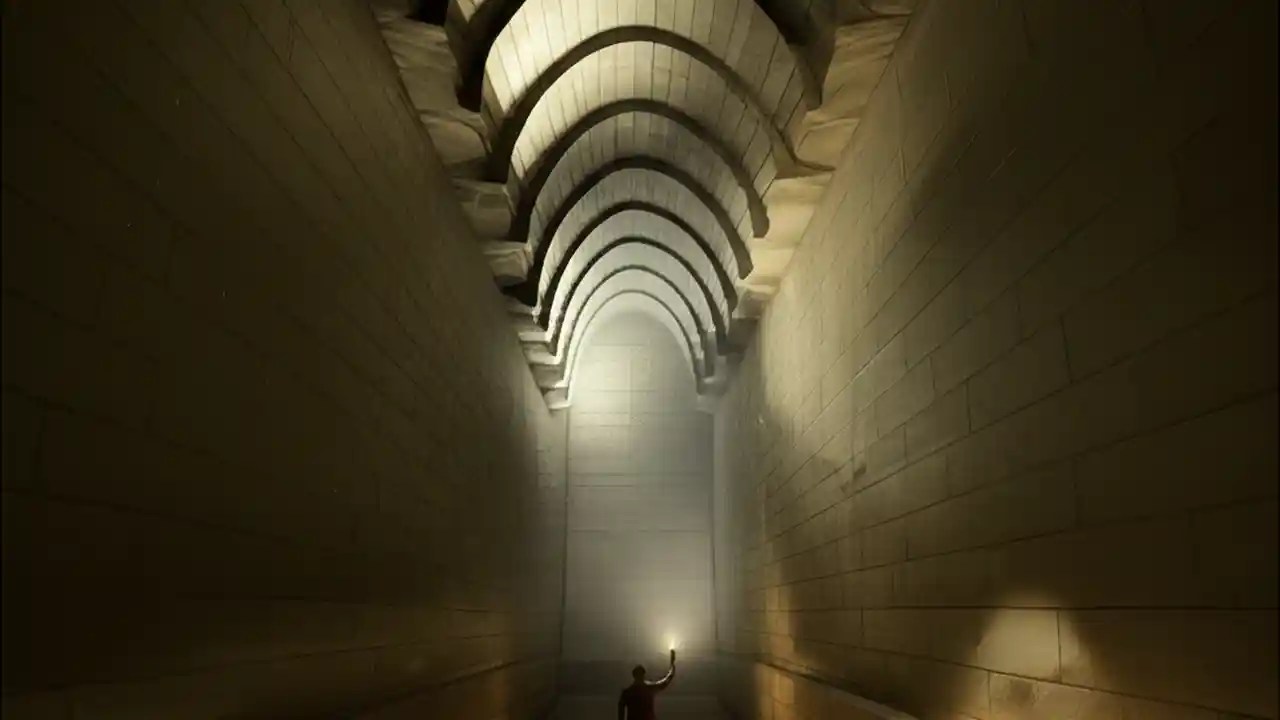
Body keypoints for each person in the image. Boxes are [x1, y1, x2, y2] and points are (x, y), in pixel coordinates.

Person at [617, 649, 676, 720]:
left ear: (634, 675)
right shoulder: (649, 688)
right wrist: (672, 664)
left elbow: (621, 714)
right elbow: (667, 679)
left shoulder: (627, 693)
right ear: (644, 675)